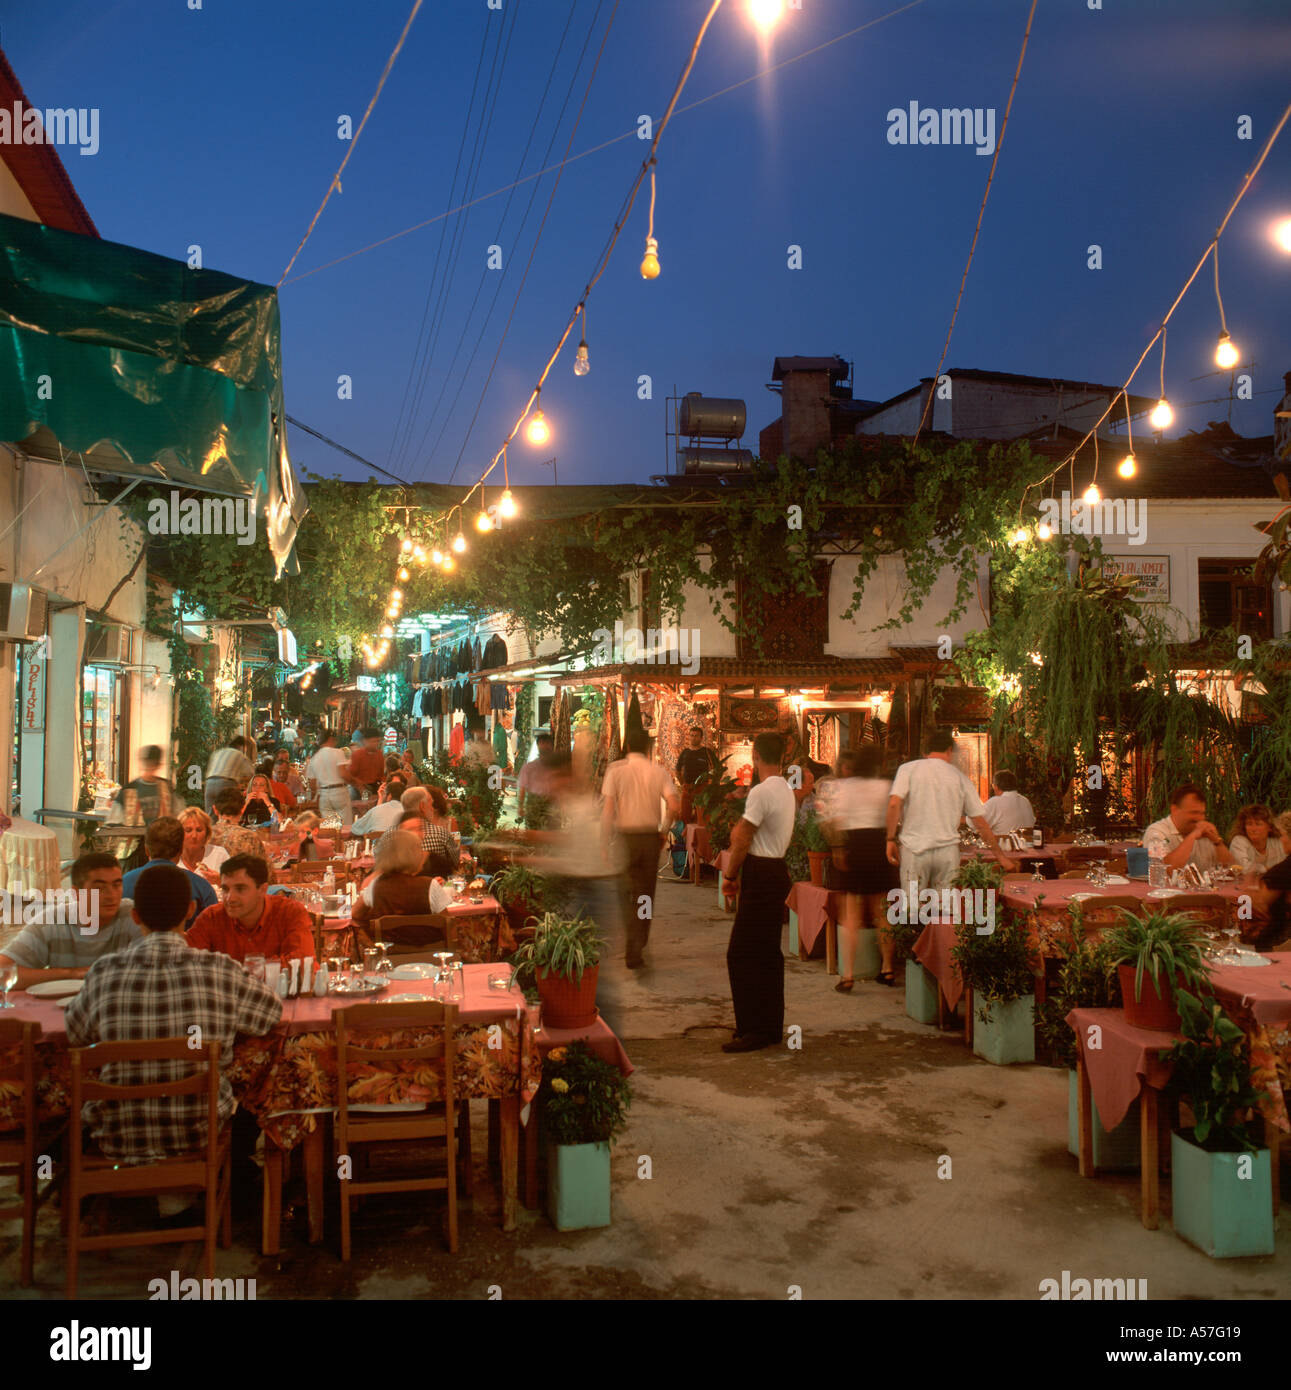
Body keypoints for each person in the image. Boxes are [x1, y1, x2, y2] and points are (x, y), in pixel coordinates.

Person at [64, 863, 282, 1168]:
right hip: (198, 1133)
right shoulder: (220, 971)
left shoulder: (103, 973)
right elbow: (270, 1015)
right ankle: (235, 1177)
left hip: (117, 1135)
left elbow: (75, 1034)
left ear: (135, 915)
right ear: (191, 910)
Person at [719, 732, 796, 1052]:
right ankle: (769, 1026)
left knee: (741, 953)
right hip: (776, 870)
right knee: (766, 953)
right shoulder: (786, 790)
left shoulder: (763, 791)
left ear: (756, 757)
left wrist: (730, 874)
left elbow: (742, 837)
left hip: (760, 872)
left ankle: (754, 1028)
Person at [885, 730, 1018, 905]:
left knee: (912, 908)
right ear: (949, 750)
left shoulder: (908, 769)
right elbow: (980, 823)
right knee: (945, 910)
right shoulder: (960, 777)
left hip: (914, 849)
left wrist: (890, 838)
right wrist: (1001, 858)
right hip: (947, 853)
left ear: (925, 752)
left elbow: (894, 804)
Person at [820, 747, 899, 991]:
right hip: (878, 845)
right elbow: (893, 815)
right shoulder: (884, 786)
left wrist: (837, 849)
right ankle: (887, 968)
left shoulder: (845, 787)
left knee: (851, 913)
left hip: (854, 845)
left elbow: (833, 820)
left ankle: (849, 974)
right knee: (882, 912)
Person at [601, 728, 681, 969]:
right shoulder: (658, 771)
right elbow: (674, 805)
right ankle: (639, 940)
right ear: (649, 748)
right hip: (649, 839)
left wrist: (604, 843)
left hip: (625, 840)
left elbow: (608, 811)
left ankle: (632, 939)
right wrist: (664, 830)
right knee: (645, 894)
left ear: (626, 747)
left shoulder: (615, 771)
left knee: (626, 894)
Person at [0, 853, 140, 990]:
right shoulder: (53, 921)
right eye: (99, 888)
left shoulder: (133, 916)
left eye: (116, 885)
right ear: (76, 893)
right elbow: (2, 972)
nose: (111, 895)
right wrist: (72, 973)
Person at [186, 854, 315, 965]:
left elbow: (302, 965)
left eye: (240, 889)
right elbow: (187, 961)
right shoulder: (212, 917)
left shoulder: (289, 913)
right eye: (225, 889)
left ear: (263, 890)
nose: (230, 898)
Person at [351, 832, 445, 941]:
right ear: (413, 856)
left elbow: (355, 914)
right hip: (431, 952)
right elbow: (447, 921)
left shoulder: (376, 886)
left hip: (389, 954)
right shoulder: (430, 885)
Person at [121, 816, 218, 917]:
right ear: (181, 850)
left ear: (146, 850)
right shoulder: (202, 887)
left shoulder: (123, 883)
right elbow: (214, 926)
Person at [1143, 783, 1234, 873]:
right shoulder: (1156, 832)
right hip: (1167, 888)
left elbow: (1231, 870)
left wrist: (1217, 842)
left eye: (1202, 813)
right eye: (1194, 812)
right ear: (1174, 810)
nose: (1200, 818)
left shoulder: (1206, 834)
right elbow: (1164, 871)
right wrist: (1192, 836)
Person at [111, 745, 177, 828]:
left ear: (159, 765)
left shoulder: (168, 788)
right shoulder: (128, 789)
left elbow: (178, 816)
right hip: (135, 839)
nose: (150, 766)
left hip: (162, 839)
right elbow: (113, 821)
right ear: (142, 763)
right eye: (148, 763)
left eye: (154, 763)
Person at [305, 729, 356, 827]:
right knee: (345, 826)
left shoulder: (314, 758)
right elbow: (343, 774)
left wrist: (316, 796)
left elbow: (312, 784)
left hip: (324, 795)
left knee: (330, 827)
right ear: (331, 739)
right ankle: (344, 841)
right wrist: (356, 783)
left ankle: (332, 842)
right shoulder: (338, 752)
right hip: (339, 792)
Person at [1227, 804, 1289, 876]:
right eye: (1249, 824)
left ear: (1269, 827)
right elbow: (1242, 868)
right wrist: (1267, 869)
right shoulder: (1239, 841)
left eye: (1258, 824)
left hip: (1275, 884)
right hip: (1244, 885)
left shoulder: (1277, 842)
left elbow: (1286, 865)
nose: (1253, 829)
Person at [674, 726, 718, 823]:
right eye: (692, 735)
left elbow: (717, 769)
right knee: (684, 817)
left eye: (696, 736)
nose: (693, 738)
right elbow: (677, 770)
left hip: (702, 789)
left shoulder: (707, 752)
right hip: (687, 789)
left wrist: (711, 785)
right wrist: (682, 784)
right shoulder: (685, 752)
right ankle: (685, 838)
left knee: (702, 818)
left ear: (701, 738)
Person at [204, 736, 256, 814]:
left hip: (209, 783)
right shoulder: (239, 754)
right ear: (242, 746)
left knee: (210, 815)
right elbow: (251, 773)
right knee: (228, 814)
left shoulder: (218, 752)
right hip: (225, 783)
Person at [980, 769, 1036, 837]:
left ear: (996, 787)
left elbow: (975, 823)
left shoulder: (995, 802)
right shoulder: (1025, 801)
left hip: (1004, 846)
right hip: (1027, 846)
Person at [516, 732, 556, 821]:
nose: (545, 747)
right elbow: (522, 788)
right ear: (538, 746)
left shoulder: (557, 767)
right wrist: (520, 807)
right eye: (542, 744)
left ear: (552, 746)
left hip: (552, 808)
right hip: (534, 807)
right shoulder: (529, 767)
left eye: (547, 744)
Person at [177, 806, 224, 879]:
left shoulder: (219, 855)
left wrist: (219, 881)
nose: (194, 836)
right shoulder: (171, 859)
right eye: (188, 830)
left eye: (199, 830)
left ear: (207, 833)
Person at [348, 729, 386, 798]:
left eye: (377, 741)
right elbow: (351, 776)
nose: (376, 744)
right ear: (365, 741)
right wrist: (361, 788)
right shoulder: (357, 754)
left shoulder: (379, 754)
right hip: (359, 789)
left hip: (375, 787)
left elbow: (381, 775)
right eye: (373, 741)